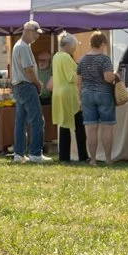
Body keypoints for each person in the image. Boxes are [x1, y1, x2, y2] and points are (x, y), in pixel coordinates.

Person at [76, 33, 118, 164]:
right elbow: (107, 78)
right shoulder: (104, 59)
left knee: (91, 129)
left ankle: (93, 159)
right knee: (107, 128)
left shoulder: (82, 60)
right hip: (104, 95)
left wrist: (80, 99)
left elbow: (78, 81)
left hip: (87, 95)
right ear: (103, 44)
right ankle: (108, 159)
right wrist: (116, 75)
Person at [9, 21, 47, 163]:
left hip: (19, 86)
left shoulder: (18, 46)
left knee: (21, 122)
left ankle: (19, 154)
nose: (37, 36)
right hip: (26, 86)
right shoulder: (23, 47)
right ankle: (35, 154)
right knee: (37, 120)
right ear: (29, 31)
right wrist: (37, 83)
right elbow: (28, 69)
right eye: (36, 33)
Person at [51, 32, 87, 163]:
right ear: (67, 45)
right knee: (77, 125)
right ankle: (80, 155)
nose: (75, 48)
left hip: (59, 92)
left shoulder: (56, 57)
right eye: (74, 46)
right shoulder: (66, 57)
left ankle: (65, 156)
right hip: (68, 94)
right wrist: (81, 73)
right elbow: (71, 77)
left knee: (65, 124)